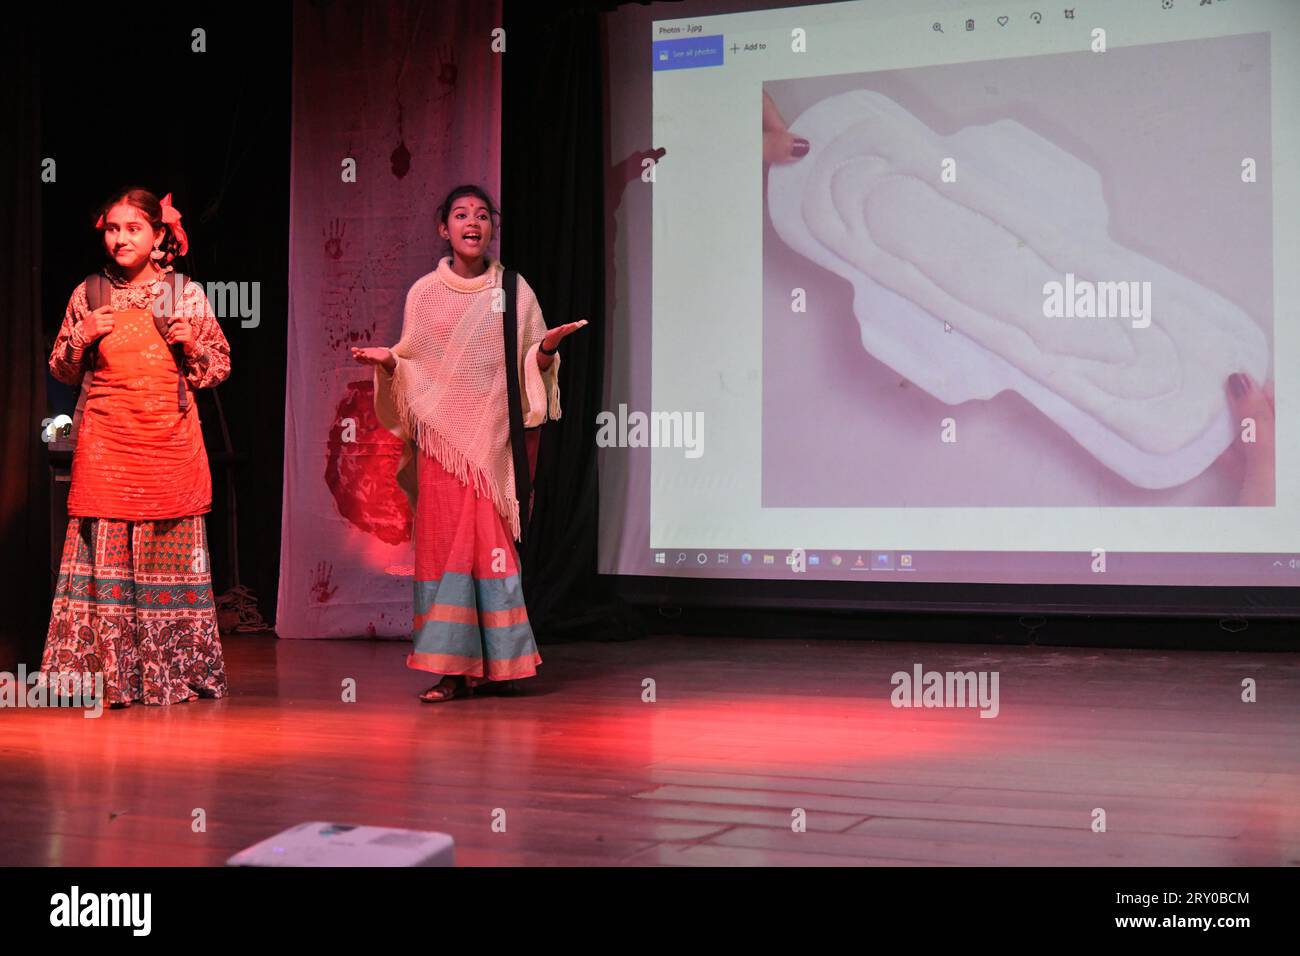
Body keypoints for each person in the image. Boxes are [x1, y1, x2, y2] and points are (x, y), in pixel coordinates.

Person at [352, 184, 585, 702]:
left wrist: (545, 350)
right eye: (461, 215)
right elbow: (413, 367)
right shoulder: (424, 293)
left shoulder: (515, 290)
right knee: (444, 552)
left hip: (493, 443)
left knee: (492, 550)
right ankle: (451, 669)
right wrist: (389, 362)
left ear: (493, 228)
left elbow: (531, 366)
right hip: (442, 448)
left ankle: (501, 664)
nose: (472, 222)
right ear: (445, 229)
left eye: (482, 215)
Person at [41, 188, 231, 708]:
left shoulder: (183, 294)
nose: (121, 238)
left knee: (166, 561)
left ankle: (169, 673)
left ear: (159, 236)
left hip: (168, 446)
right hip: (106, 445)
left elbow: (216, 369)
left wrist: (190, 340)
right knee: (105, 555)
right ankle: (109, 678)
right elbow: (60, 368)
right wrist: (80, 338)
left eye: (133, 229)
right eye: (112, 229)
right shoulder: (90, 293)